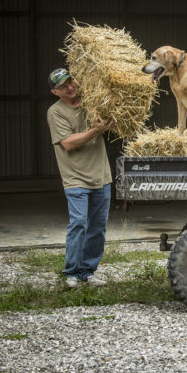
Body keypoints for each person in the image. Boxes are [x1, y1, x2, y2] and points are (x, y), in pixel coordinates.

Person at [46, 67, 113, 288]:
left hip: (101, 175)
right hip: (75, 178)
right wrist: (95, 131)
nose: (70, 87)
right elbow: (68, 143)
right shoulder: (55, 112)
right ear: (55, 92)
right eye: (63, 86)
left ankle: (88, 271)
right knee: (79, 224)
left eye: (70, 82)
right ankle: (72, 273)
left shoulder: (91, 101)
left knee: (97, 228)